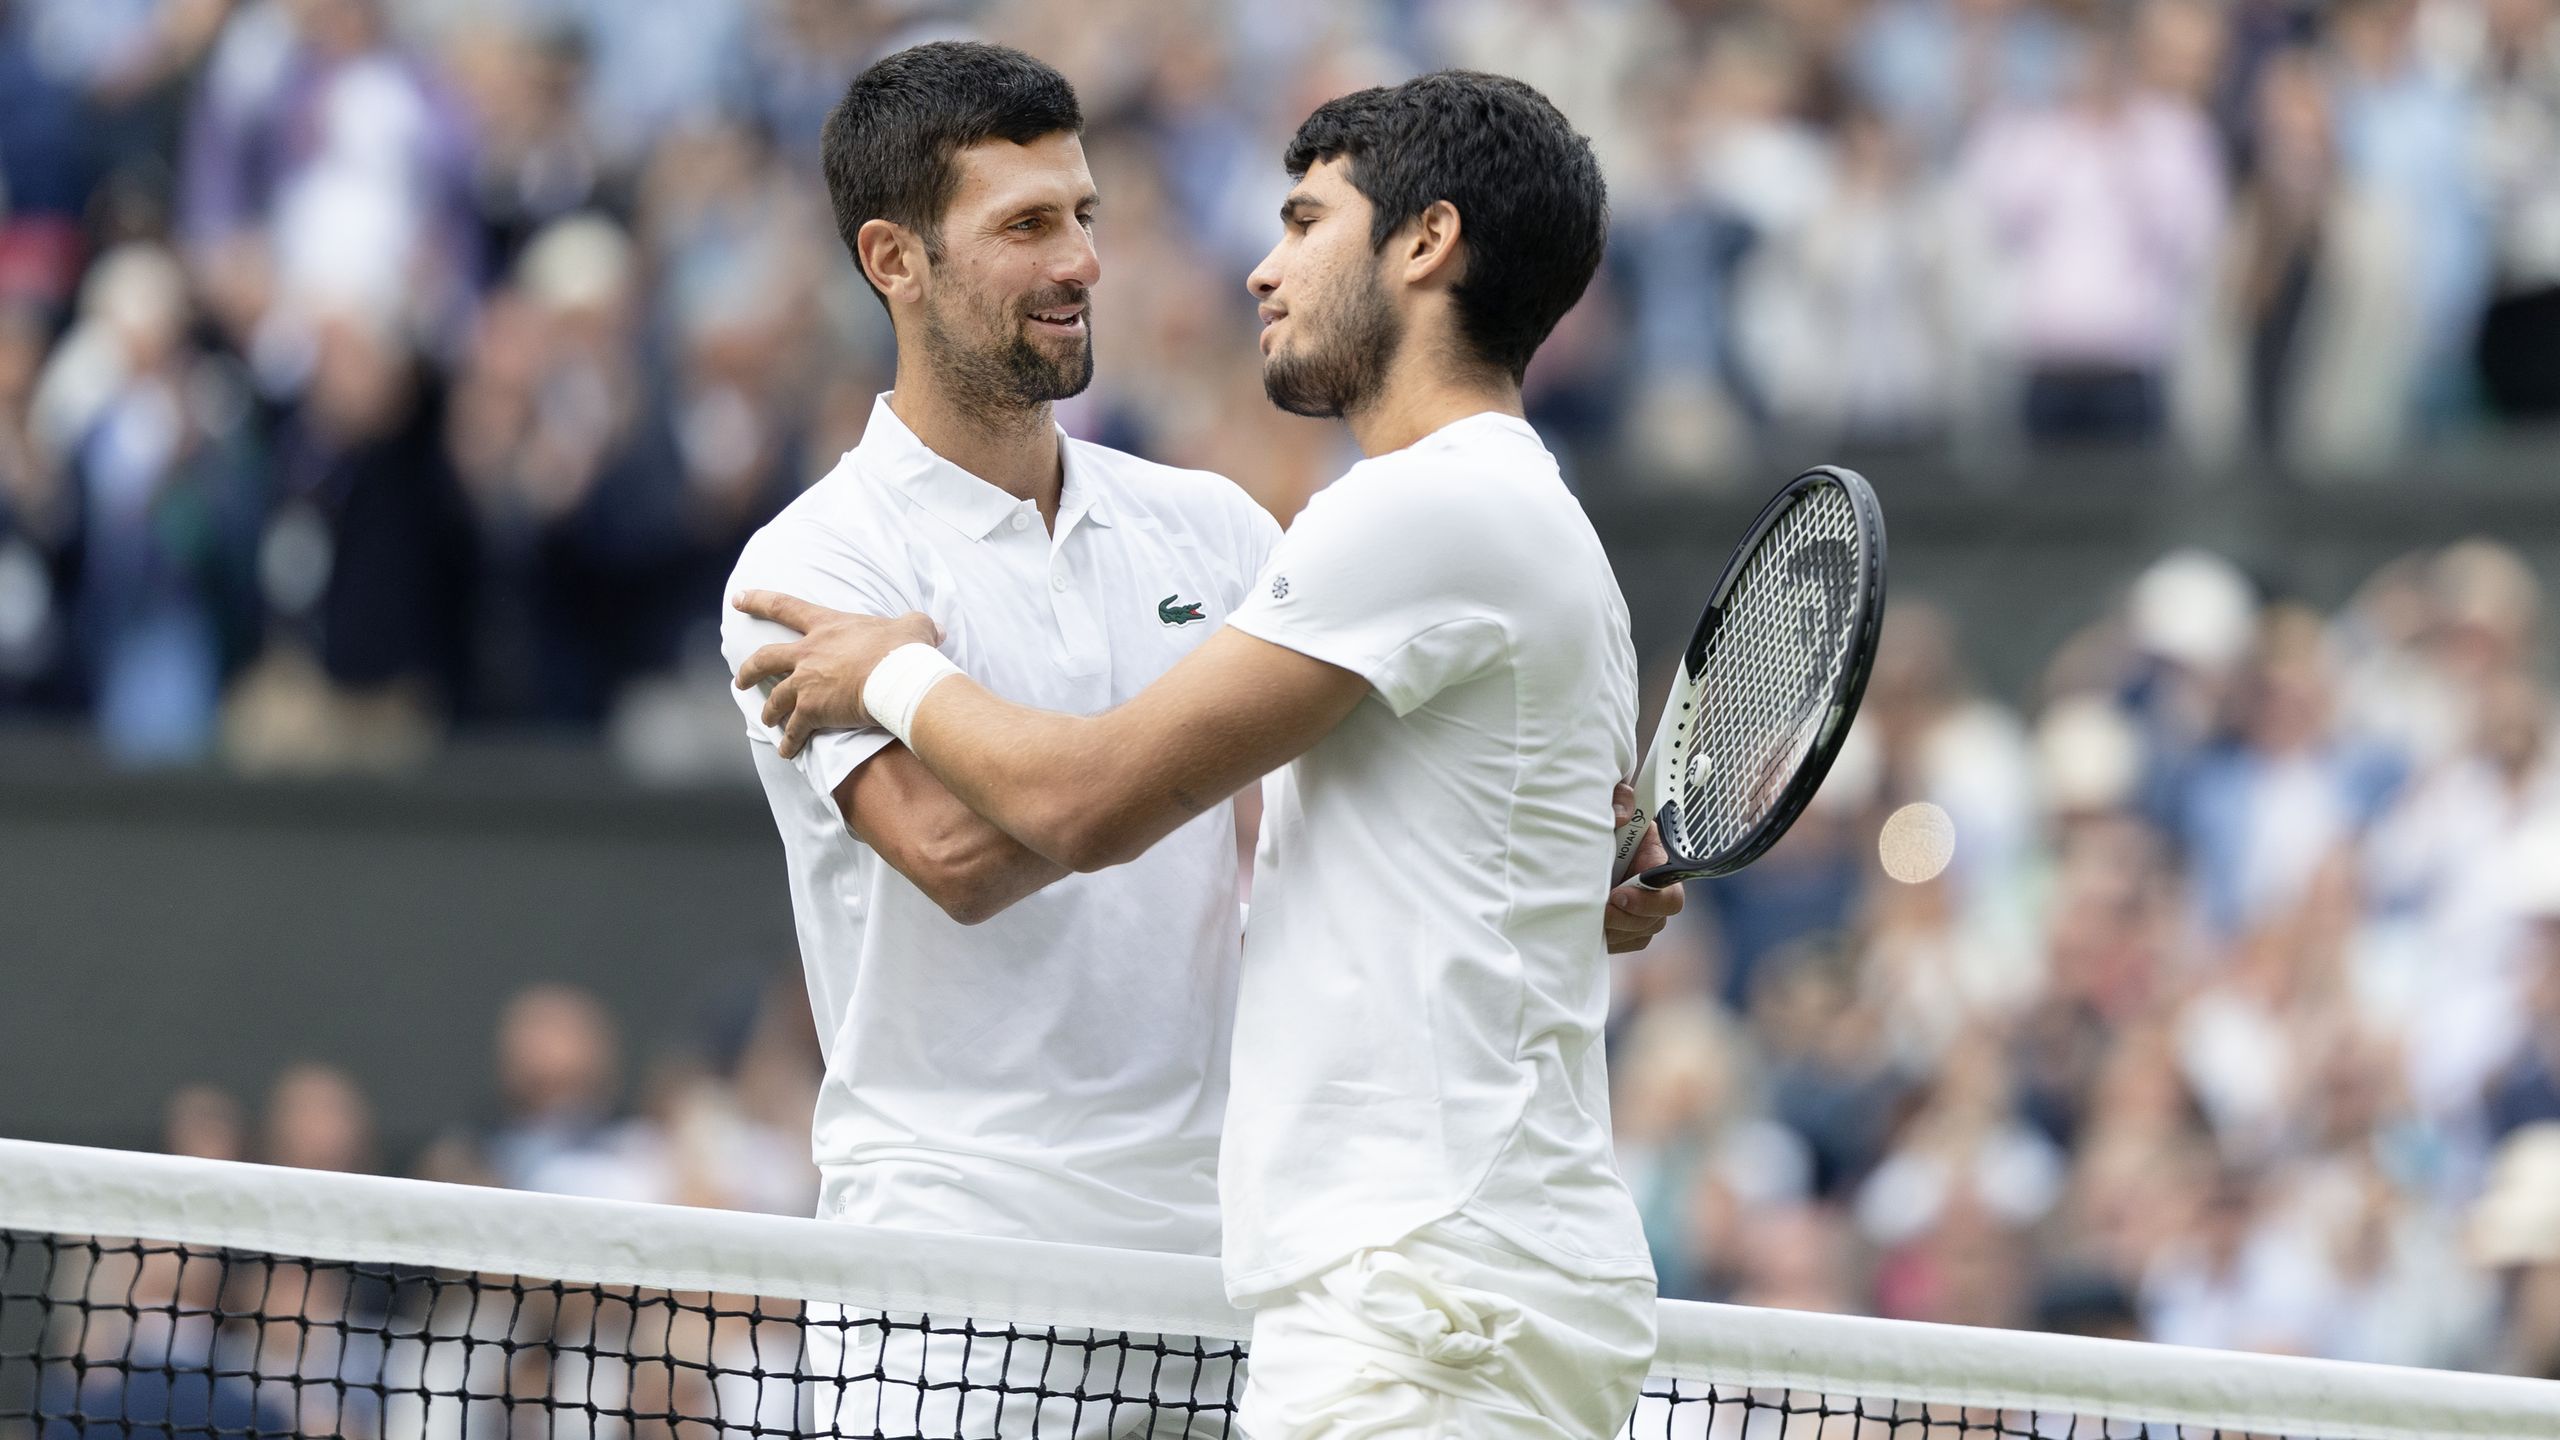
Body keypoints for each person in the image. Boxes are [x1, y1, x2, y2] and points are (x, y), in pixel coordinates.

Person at [720, 44, 1678, 1439]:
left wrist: (1527, 861)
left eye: (1087, 216)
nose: (1083, 261)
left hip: (1233, 1274)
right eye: (1027, 225)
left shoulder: (1226, 529)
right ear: (895, 260)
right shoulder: (811, 561)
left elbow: (1227, 791)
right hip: (959, 1276)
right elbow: (955, 852)